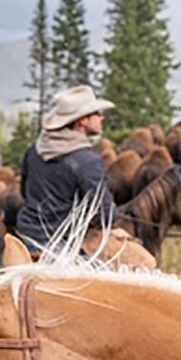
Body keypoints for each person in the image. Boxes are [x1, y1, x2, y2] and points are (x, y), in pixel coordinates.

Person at [16, 85, 157, 268]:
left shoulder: (34, 151)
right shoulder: (87, 161)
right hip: (62, 244)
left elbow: (25, 192)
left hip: (26, 236)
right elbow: (104, 217)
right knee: (142, 265)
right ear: (82, 121)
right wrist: (117, 211)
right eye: (96, 113)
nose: (102, 117)